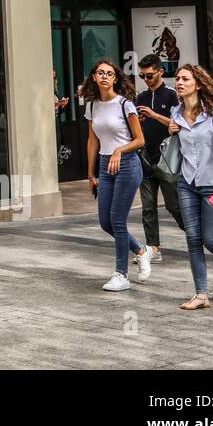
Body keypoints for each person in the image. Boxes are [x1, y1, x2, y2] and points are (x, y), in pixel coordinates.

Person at [143, 65, 213, 309]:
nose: (179, 83)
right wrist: (171, 128)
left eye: (185, 79)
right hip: (187, 183)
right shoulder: (176, 112)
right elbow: (178, 143)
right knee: (193, 239)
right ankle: (201, 295)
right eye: (178, 79)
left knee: (210, 238)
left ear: (198, 83)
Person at [83, 59, 153, 291]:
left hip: (127, 164)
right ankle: (142, 251)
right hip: (105, 164)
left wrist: (119, 151)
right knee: (105, 221)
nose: (104, 76)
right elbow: (93, 141)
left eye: (109, 74)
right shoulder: (92, 105)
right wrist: (91, 172)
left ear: (115, 78)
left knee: (117, 221)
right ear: (94, 77)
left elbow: (140, 140)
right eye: (100, 72)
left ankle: (121, 274)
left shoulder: (125, 105)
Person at [135, 55, 184, 261]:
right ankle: (153, 247)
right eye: (142, 76)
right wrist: (138, 120)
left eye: (149, 75)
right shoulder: (141, 97)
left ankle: (196, 233)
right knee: (148, 207)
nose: (146, 79)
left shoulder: (172, 95)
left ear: (161, 72)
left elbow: (178, 124)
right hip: (146, 157)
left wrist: (154, 115)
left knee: (174, 205)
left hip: (167, 159)